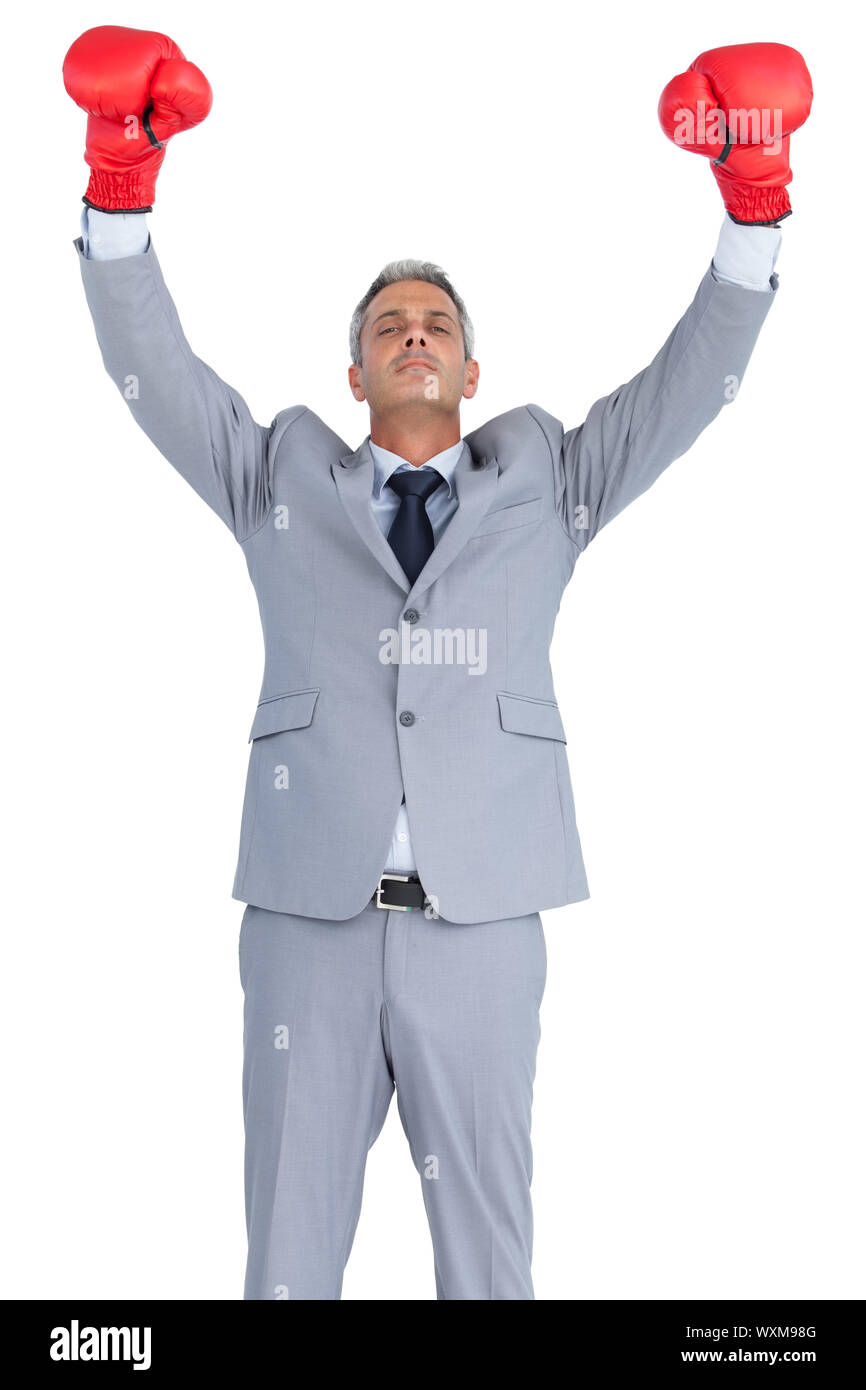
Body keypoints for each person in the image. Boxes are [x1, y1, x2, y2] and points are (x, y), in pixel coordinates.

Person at [64, 26, 812, 1300]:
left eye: (438, 322)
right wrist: (118, 191)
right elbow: (158, 381)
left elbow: (687, 386)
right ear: (351, 371)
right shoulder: (276, 474)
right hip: (308, 923)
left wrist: (751, 210)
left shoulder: (551, 478)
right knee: (286, 1264)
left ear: (474, 370)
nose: (415, 333)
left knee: (488, 1264)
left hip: (484, 926)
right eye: (389, 323)